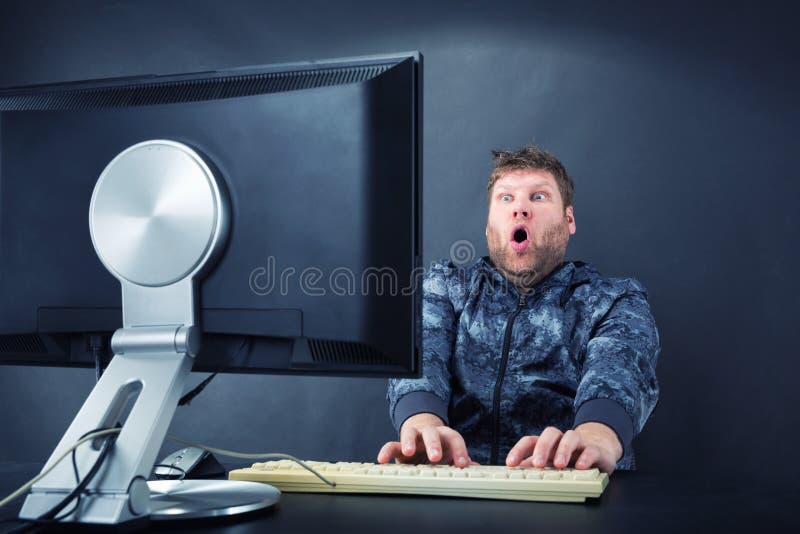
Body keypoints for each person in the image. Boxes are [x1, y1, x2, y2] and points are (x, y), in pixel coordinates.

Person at [378, 145, 660, 473]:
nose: (520, 209)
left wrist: (596, 437)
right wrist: (424, 426)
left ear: (569, 220)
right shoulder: (447, 288)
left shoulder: (612, 300)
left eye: (538, 197)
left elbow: (619, 371)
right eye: (506, 198)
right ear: (488, 224)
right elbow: (422, 360)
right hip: (456, 489)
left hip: (568, 498)